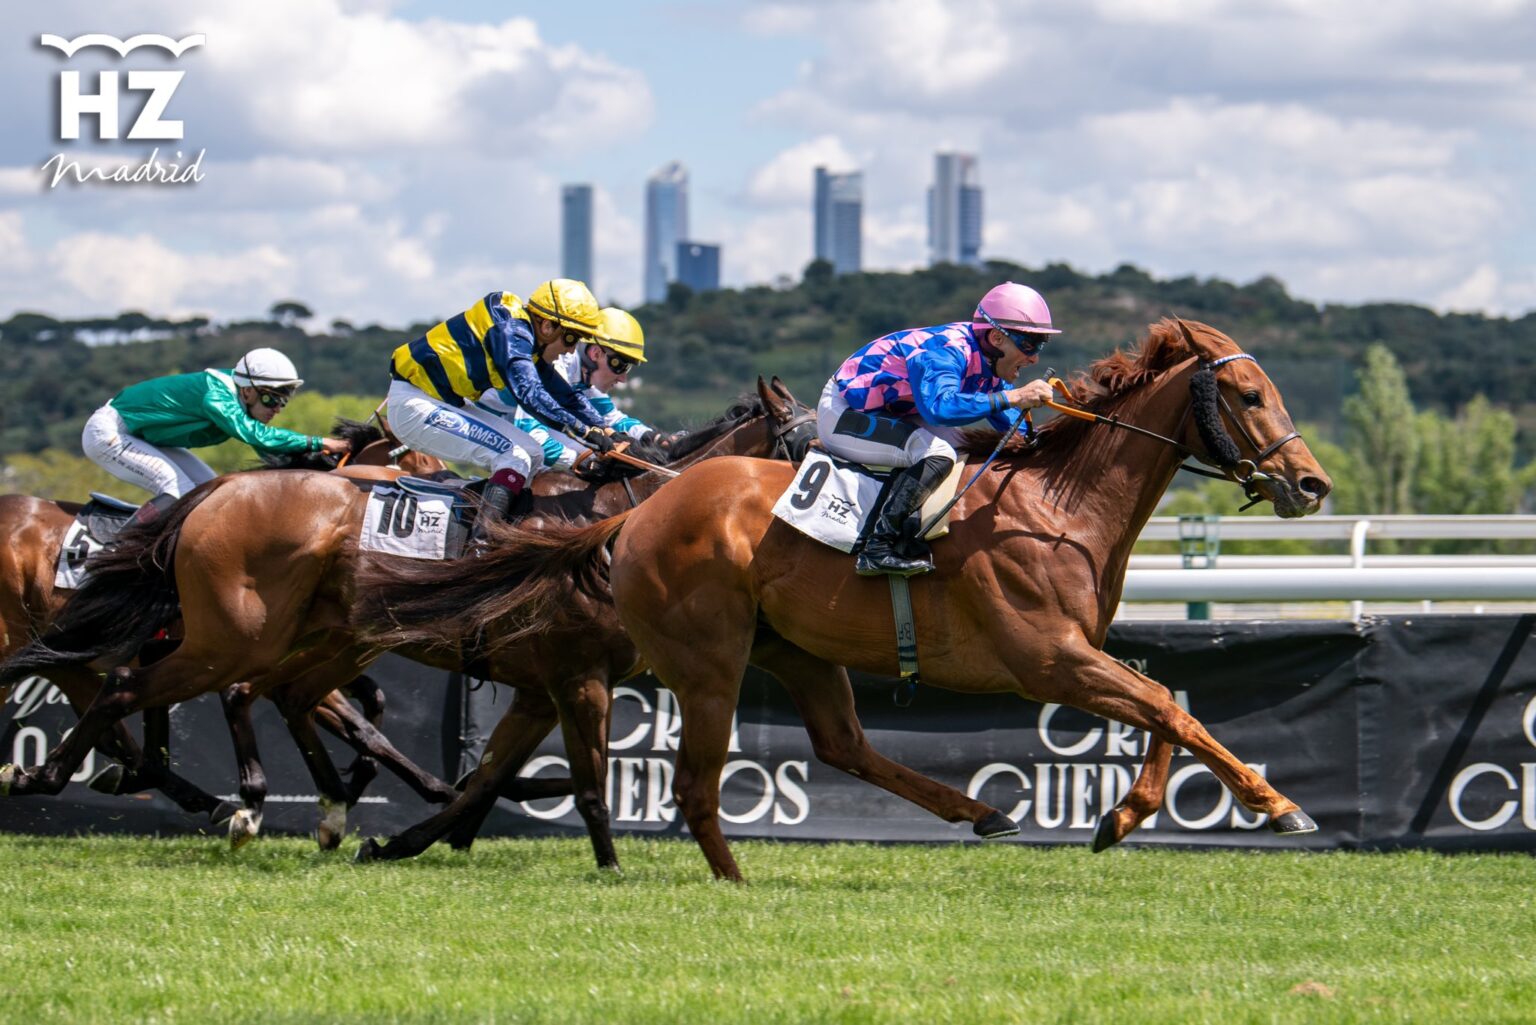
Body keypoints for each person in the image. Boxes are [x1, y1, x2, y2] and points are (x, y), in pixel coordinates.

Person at [817, 281, 1061, 576]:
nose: (1035, 357)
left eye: (1041, 345)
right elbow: (940, 409)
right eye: (1029, 344)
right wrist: (1016, 395)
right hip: (845, 412)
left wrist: (1039, 444)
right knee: (938, 453)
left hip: (895, 412)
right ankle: (877, 548)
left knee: (963, 449)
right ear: (997, 337)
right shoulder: (945, 351)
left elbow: (1005, 417)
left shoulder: (988, 358)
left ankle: (914, 531)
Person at [385, 279, 616, 529]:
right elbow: (530, 395)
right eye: (572, 339)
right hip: (414, 405)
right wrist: (582, 431)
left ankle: (497, 527)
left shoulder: (525, 338)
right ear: (548, 326)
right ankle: (483, 545)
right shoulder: (511, 333)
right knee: (514, 456)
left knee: (532, 453)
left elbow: (564, 395)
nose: (571, 352)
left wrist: (605, 428)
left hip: (439, 402)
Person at [81, 347, 346, 523]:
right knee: (179, 492)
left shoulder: (240, 394)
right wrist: (319, 441)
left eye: (281, 402)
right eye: (270, 399)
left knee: (211, 493)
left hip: (140, 437)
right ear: (248, 391)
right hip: (110, 432)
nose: (276, 409)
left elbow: (270, 451)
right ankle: (114, 555)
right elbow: (257, 436)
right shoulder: (217, 396)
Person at [488, 306, 670, 473]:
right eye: (621, 366)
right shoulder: (556, 366)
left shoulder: (583, 377)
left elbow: (613, 420)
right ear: (596, 353)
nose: (623, 379)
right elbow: (535, 435)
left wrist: (653, 437)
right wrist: (583, 461)